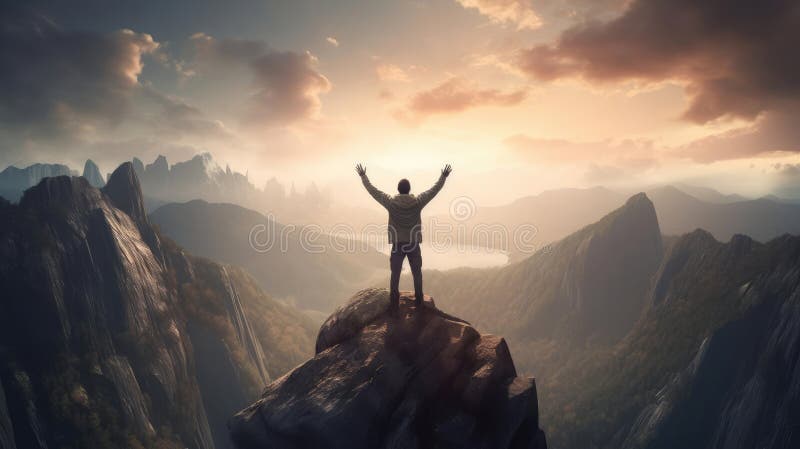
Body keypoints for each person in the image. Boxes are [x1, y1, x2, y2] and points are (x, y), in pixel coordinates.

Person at [356, 163, 452, 316]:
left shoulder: (390, 203)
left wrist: (363, 176)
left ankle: (394, 303)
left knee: (395, 274)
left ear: (398, 190)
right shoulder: (418, 202)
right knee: (417, 273)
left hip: (398, 244)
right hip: (413, 243)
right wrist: (443, 177)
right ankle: (419, 302)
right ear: (409, 190)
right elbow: (433, 191)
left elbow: (373, 191)